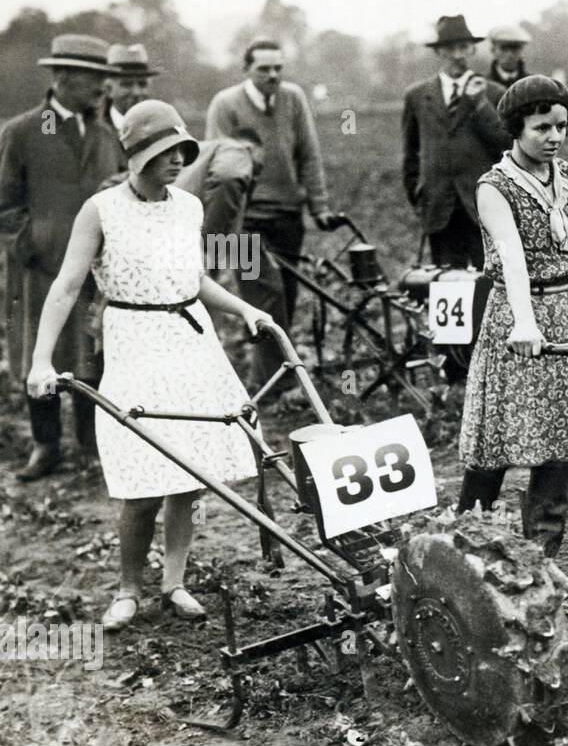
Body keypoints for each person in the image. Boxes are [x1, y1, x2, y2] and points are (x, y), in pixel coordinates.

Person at [25, 101, 273, 631]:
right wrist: (41, 359)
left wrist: (246, 308)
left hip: (191, 344)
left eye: (182, 151)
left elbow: (195, 281)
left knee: (188, 476)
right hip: (135, 343)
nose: (176, 161)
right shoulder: (101, 210)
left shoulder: (188, 207)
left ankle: (174, 583)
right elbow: (68, 284)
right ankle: (128, 588)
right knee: (142, 481)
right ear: (136, 156)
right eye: (163, 152)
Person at [457, 76, 568, 557]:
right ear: (515, 129)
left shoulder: (563, 174)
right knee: (501, 437)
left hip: (567, 313)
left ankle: (543, 557)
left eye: (561, 127)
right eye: (541, 128)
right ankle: (464, 546)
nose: (553, 137)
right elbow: (511, 259)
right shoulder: (494, 187)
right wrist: (526, 324)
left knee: (556, 442)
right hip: (516, 318)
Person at [1, 34, 121, 480]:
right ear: (63, 76)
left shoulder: (108, 133)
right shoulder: (24, 131)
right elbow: (5, 205)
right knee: (42, 351)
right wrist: (33, 243)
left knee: (91, 354)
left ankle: (90, 444)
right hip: (43, 271)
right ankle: (45, 445)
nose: (103, 87)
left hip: (96, 271)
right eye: (95, 77)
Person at [205, 38, 342, 386]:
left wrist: (319, 206)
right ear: (246, 70)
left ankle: (270, 377)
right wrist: (220, 234)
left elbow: (309, 155)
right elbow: (216, 168)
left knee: (288, 296)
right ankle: (279, 384)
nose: (273, 75)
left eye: (278, 68)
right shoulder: (226, 105)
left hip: (286, 216)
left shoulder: (293, 99)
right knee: (262, 294)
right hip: (241, 222)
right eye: (264, 69)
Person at [402, 15, 512, 270]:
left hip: (482, 209)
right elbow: (410, 154)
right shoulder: (417, 96)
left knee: (489, 285)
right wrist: (418, 196)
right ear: (439, 52)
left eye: (464, 47)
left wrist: (480, 105)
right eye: (451, 48)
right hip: (439, 209)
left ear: (473, 50)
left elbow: (506, 144)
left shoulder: (493, 93)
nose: (458, 55)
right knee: (446, 285)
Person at [104, 44, 160, 139]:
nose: (136, 92)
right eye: (127, 84)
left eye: (142, 84)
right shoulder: (94, 131)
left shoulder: (161, 129)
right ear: (109, 89)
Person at [485, 24, 532, 89]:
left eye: (514, 48)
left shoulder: (531, 83)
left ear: (522, 51)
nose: (509, 54)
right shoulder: (484, 85)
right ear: (493, 51)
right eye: (504, 48)